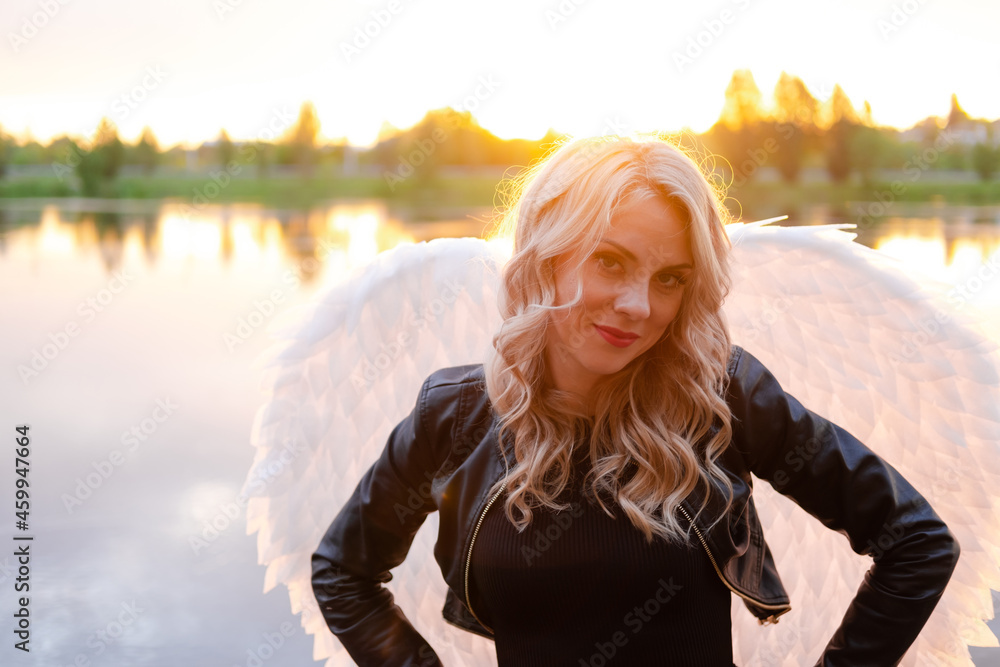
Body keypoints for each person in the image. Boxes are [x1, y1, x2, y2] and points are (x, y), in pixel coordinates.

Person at [310, 134, 960, 666]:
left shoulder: (722, 395)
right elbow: (344, 572)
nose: (639, 306)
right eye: (611, 261)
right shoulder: (454, 413)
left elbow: (916, 540)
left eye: (671, 278)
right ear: (547, 256)